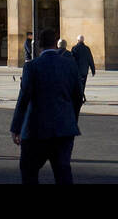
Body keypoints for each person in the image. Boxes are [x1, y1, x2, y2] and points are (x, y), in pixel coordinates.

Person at [9, 28, 83, 184]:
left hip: (36, 129)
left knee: (29, 172)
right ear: (56, 45)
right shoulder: (70, 65)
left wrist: (16, 127)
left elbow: (23, 99)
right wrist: (72, 120)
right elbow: (77, 97)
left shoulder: (32, 66)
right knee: (63, 173)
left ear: (39, 46)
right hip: (64, 128)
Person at [70, 35, 96, 101]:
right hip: (84, 70)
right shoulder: (87, 48)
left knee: (77, 84)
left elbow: (72, 60)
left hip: (77, 70)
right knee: (83, 84)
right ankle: (81, 95)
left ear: (78, 40)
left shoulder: (74, 48)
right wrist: (93, 69)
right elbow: (90, 59)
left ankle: (80, 96)